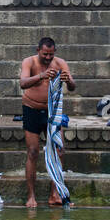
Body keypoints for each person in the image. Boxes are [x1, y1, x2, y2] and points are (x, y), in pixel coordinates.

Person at [19, 37, 75, 208]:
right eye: (45, 54)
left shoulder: (60, 63)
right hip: (32, 110)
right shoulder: (29, 62)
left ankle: (55, 194)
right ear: (38, 50)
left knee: (59, 151)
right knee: (33, 152)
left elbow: (73, 86)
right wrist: (41, 75)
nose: (48, 58)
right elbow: (23, 83)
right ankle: (31, 196)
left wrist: (68, 80)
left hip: (53, 112)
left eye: (51, 54)